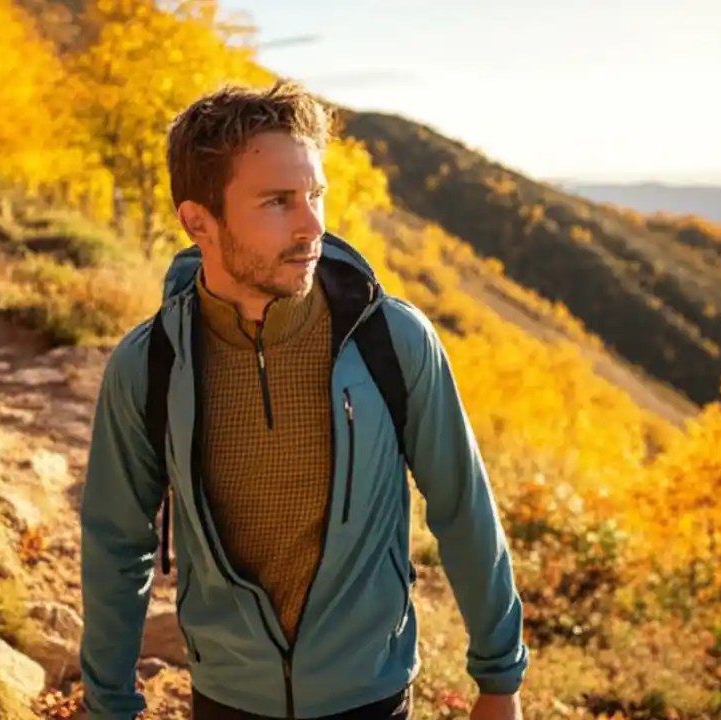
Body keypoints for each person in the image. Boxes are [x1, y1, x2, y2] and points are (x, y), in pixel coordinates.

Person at [79, 80, 528, 720]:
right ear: (198, 220)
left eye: (314, 194)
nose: (312, 224)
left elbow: (462, 507)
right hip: (227, 699)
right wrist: (108, 705)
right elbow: (116, 545)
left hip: (370, 696)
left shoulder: (391, 340)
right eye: (278, 202)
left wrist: (500, 680)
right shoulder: (151, 364)